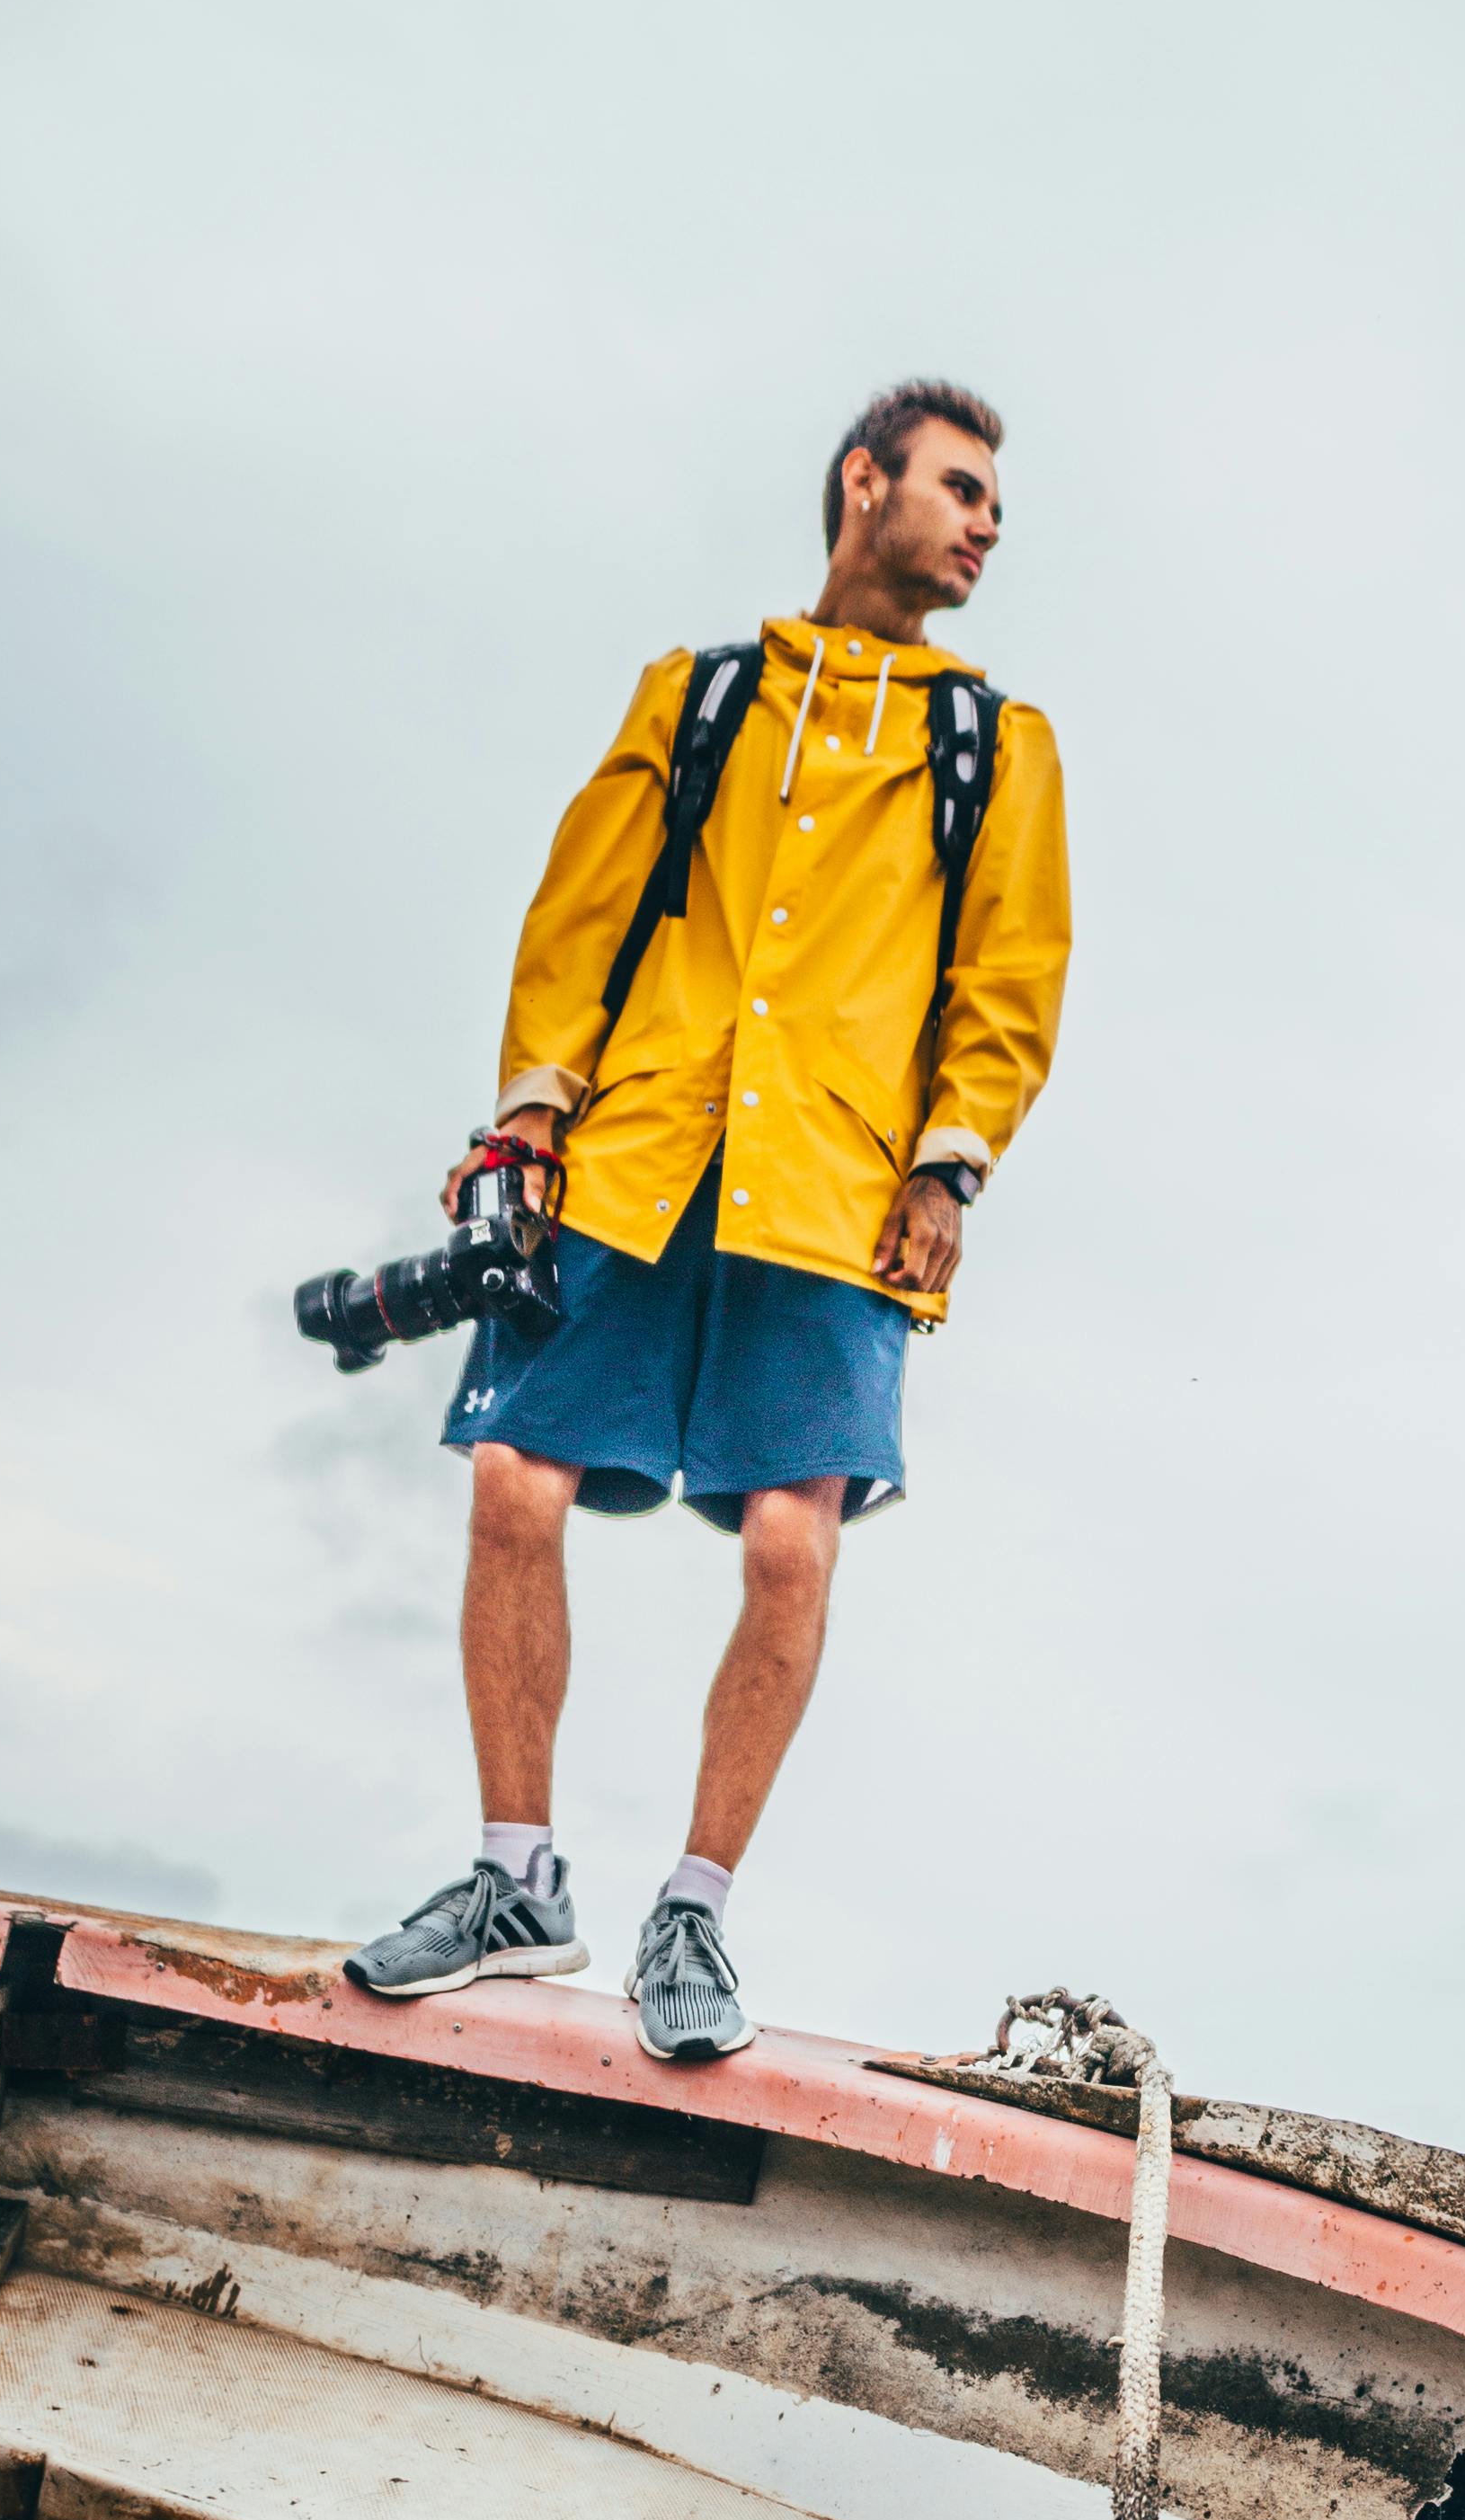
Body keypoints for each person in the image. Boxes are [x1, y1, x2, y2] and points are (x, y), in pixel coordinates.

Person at [347, 380, 1070, 2058]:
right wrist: (532, 1108)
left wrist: (948, 1166)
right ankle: (515, 1877)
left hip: (835, 1193)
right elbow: (580, 911)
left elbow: (1011, 981)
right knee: (515, 1485)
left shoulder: (992, 744)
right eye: (958, 491)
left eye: (997, 514)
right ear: (862, 481)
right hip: (640, 1156)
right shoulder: (701, 699)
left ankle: (696, 1907)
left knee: (788, 1540)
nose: (981, 529)